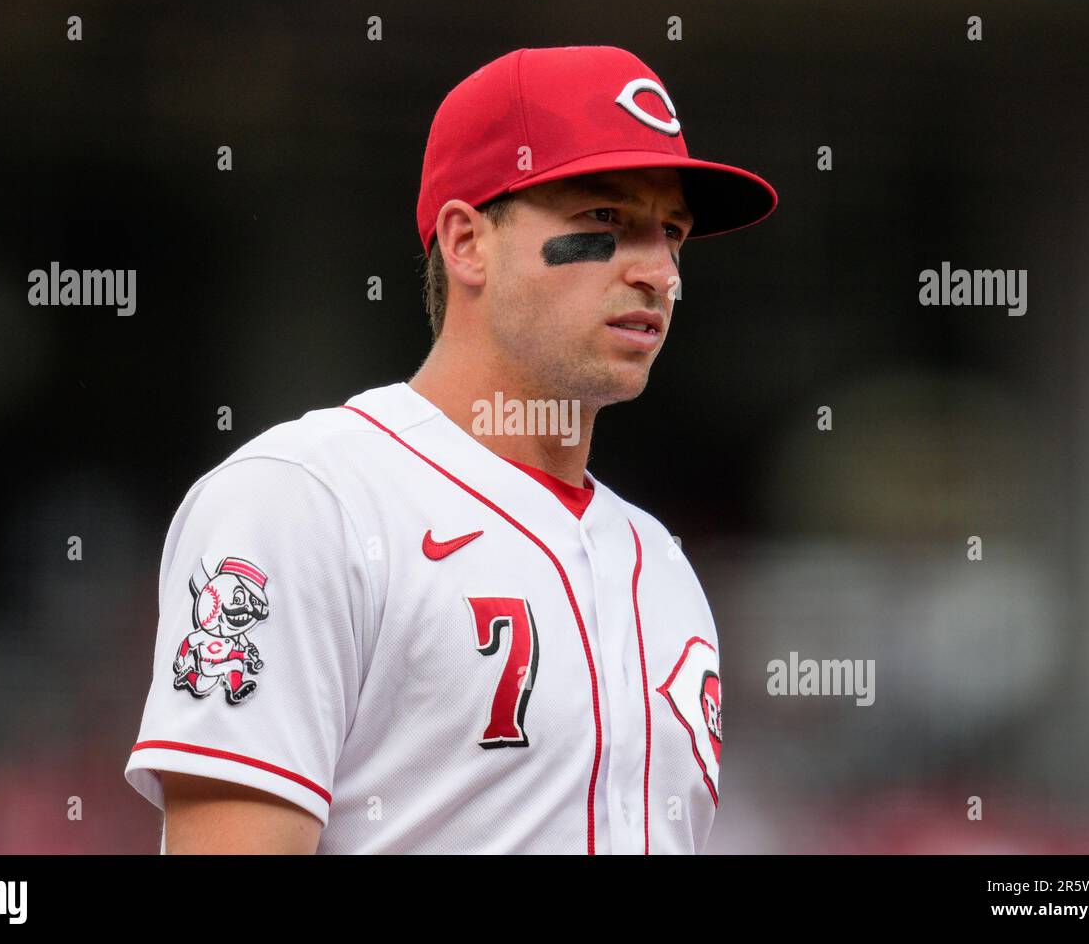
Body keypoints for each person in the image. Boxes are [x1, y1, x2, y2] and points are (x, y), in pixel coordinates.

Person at [125, 44, 776, 854]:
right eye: (605, 221)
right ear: (466, 242)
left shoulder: (660, 563)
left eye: (672, 233)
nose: (657, 271)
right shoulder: (307, 498)